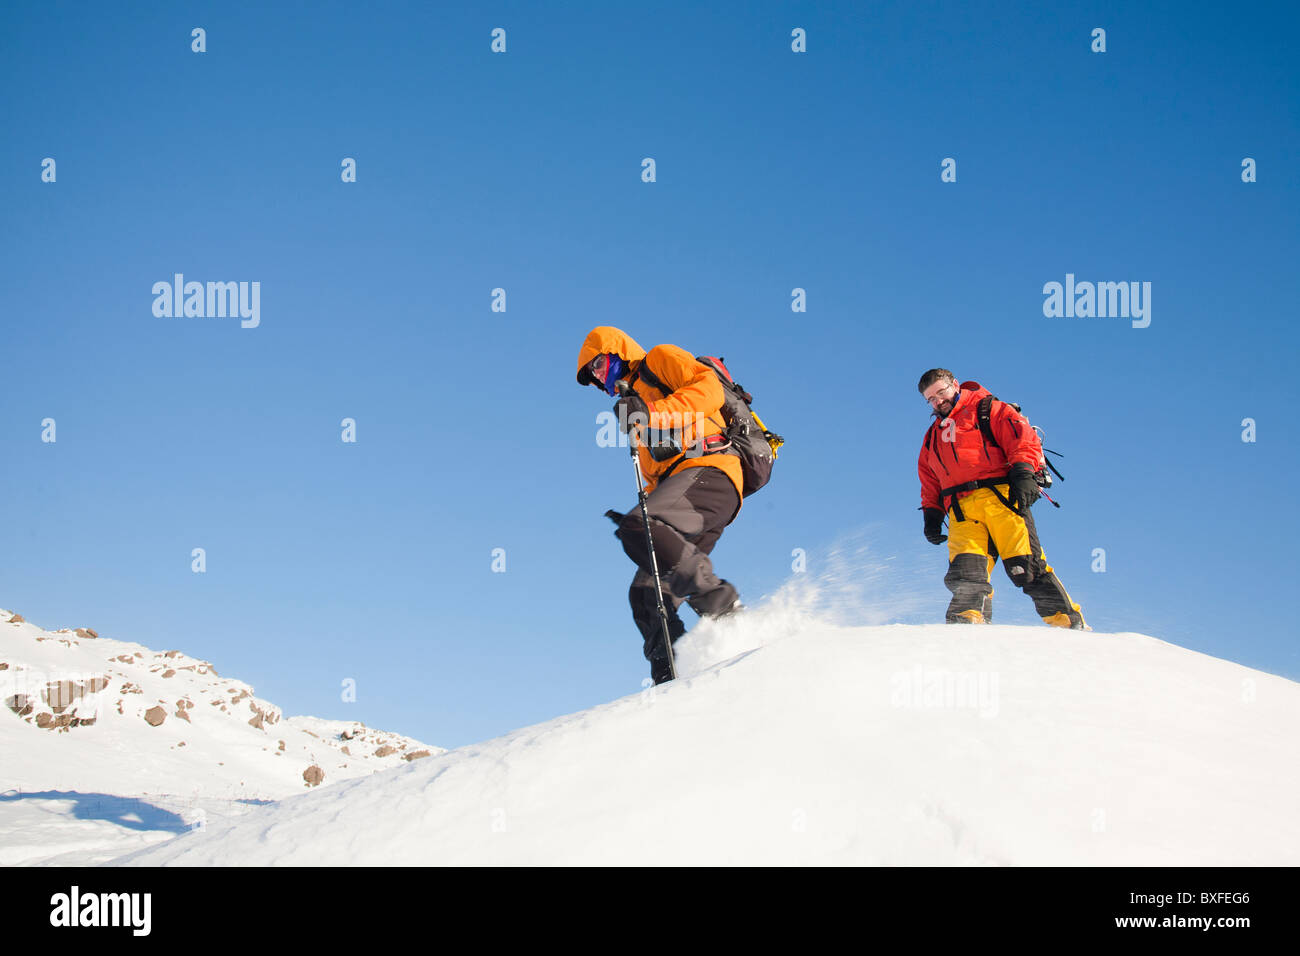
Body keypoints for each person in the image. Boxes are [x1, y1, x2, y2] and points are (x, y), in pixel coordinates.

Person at [577, 326, 744, 683]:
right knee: (645, 594)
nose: (598, 378)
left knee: (639, 527)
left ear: (616, 352)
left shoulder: (659, 358)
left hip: (712, 471)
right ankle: (674, 681)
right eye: (592, 375)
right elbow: (657, 477)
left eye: (599, 366)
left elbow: (709, 390)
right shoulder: (633, 405)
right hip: (690, 492)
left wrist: (651, 413)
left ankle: (725, 608)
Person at [916, 369, 1087, 629]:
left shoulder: (987, 408)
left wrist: (1024, 472)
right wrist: (932, 513)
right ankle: (967, 624)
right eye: (931, 399)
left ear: (955, 385)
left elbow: (1021, 438)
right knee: (966, 571)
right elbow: (929, 476)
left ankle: (1069, 624)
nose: (938, 401)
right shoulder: (932, 436)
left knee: (1025, 567)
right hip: (961, 511)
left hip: (1001, 499)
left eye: (941, 392)